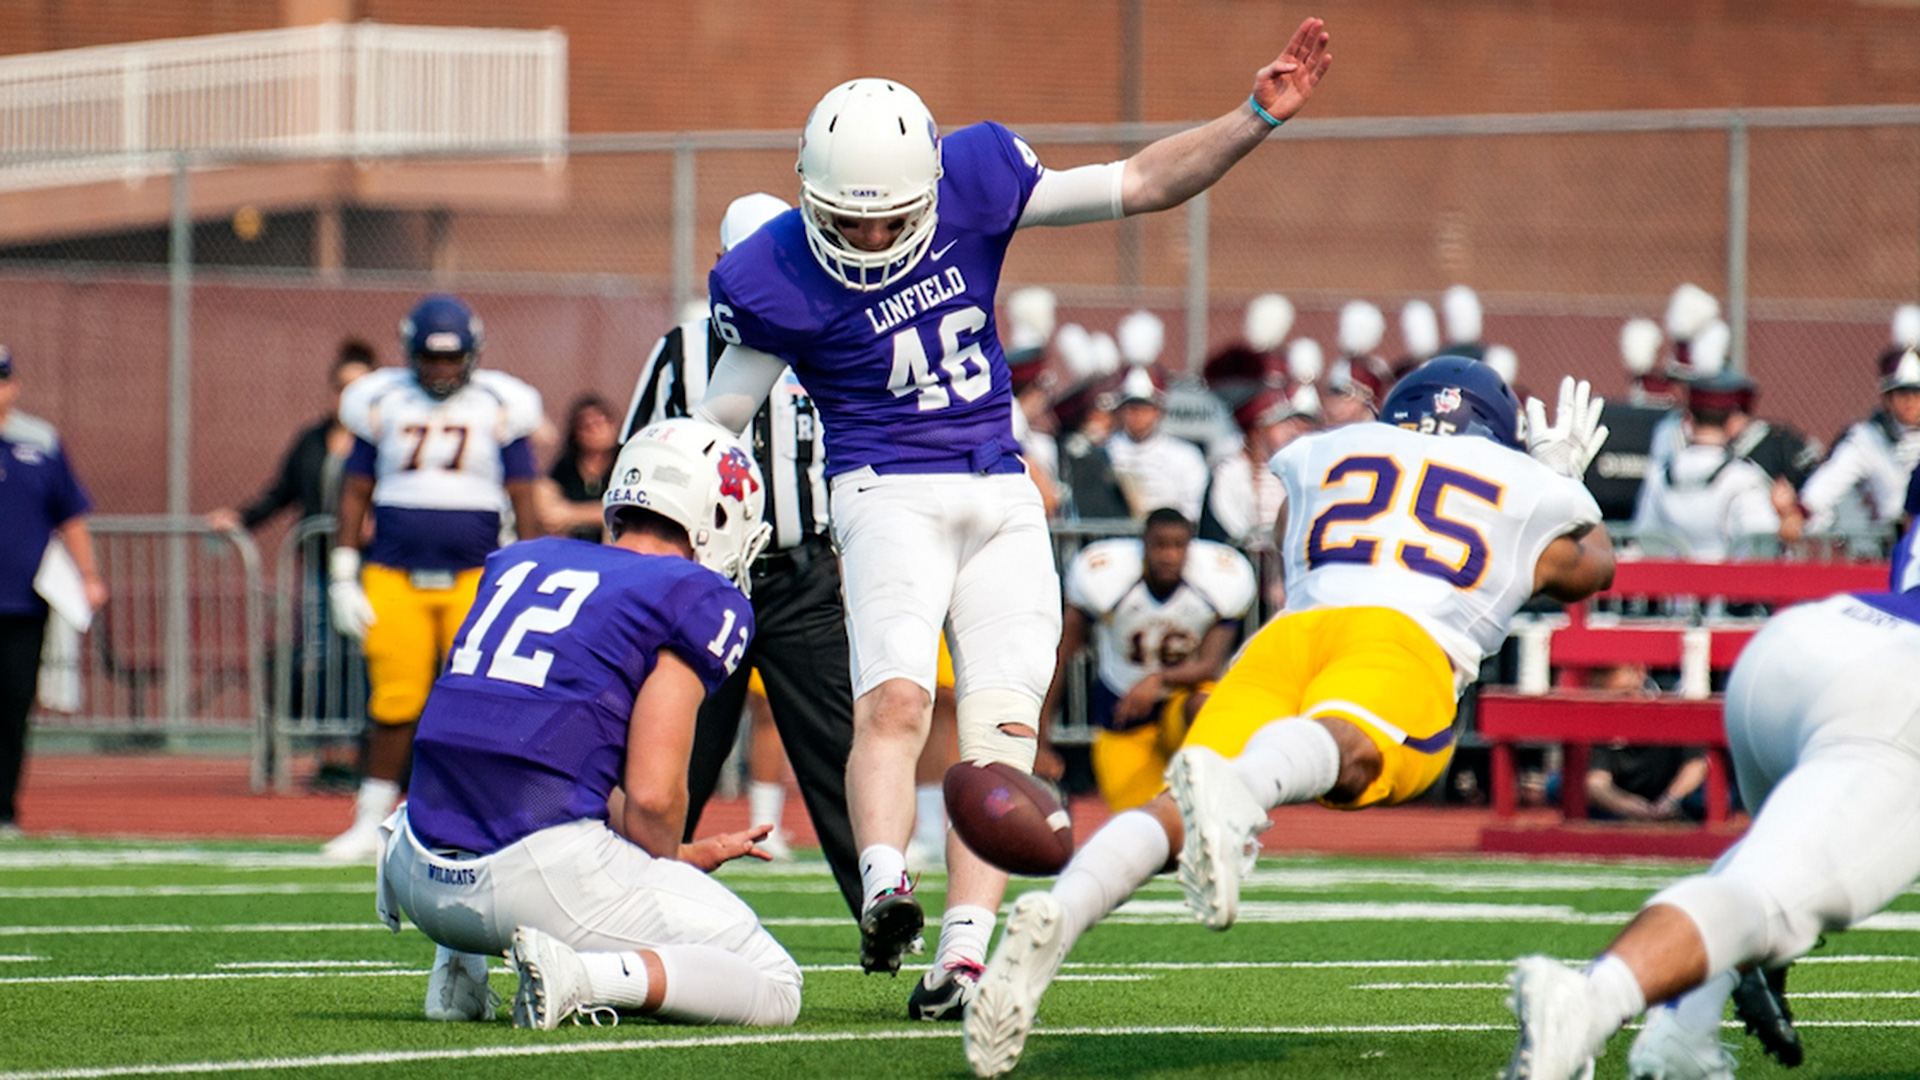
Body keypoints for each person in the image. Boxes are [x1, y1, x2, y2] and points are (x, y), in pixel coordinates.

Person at [693, 22, 1334, 1018]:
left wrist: (1253, 116)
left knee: (999, 730)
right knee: (897, 703)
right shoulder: (772, 269)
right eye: (846, 221)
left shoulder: (979, 175)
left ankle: (961, 955)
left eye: (888, 219)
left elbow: (1142, 181)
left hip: (997, 488)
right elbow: (716, 418)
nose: (868, 239)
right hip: (883, 488)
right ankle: (883, 890)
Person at [963, 359, 1615, 1078]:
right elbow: (1590, 569)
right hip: (1404, 637)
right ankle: (1242, 794)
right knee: (1359, 754)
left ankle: (1060, 916)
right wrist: (1564, 483)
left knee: (1176, 806)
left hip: (1288, 637)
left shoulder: (1326, 448)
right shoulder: (1521, 481)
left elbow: (1282, 524)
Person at [377, 417, 802, 1030]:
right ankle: (582, 977)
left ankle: (459, 972)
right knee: (776, 984)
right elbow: (653, 797)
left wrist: (678, 853)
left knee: (513, 773)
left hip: (413, 861)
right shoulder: (690, 592)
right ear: (717, 517)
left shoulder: (522, 561)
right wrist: (665, 863)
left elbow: (510, 734)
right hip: (527, 879)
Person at [1501, 586, 1920, 1080]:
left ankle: (1682, 1036)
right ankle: (1589, 1004)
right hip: (1893, 683)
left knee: (1768, 868)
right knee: (1768, 899)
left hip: (1803, 640)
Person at [623, 191, 863, 918]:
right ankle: (632, 906)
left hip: (799, 577)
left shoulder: (827, 339)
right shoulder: (680, 349)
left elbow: (854, 457)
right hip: (702, 584)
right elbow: (641, 458)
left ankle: (885, 908)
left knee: (839, 751)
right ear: (722, 266)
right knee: (678, 755)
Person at [322, 294, 544, 863]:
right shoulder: (382, 402)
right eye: (431, 358)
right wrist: (343, 573)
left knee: (480, 704)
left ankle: (480, 820)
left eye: (451, 359)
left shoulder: (501, 404)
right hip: (394, 573)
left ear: (471, 356)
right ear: (410, 353)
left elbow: (524, 497)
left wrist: (533, 569)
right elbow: (355, 492)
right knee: (395, 700)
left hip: (477, 576)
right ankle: (372, 822)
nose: (442, 370)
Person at [207, 339, 376, 791]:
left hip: (370, 571)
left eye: (360, 388)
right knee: (321, 656)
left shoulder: (384, 441)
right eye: (342, 388)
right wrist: (240, 517)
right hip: (319, 568)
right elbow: (281, 491)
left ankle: (366, 756)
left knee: (363, 658)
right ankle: (330, 753)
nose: (348, 398)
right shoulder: (312, 440)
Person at [1042, 508, 1255, 811]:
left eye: (1178, 546)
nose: (1169, 555)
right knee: (1140, 829)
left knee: (1205, 706)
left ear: (1190, 548)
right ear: (1144, 544)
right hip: (1123, 716)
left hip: (1178, 704)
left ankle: (1215, 799)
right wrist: (1040, 742)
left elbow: (1209, 664)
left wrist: (1158, 679)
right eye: (1160, 545)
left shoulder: (1219, 582)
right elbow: (1061, 653)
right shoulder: (1106, 581)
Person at [0, 346, 107, 839]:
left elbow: (70, 513)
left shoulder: (40, 441)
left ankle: (3, 810)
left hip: (23, 602)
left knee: (13, 705)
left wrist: (88, 576)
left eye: (3, 379)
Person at [1628, 325, 1782, 560]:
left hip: (1674, 594)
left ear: (1688, 418)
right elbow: (1761, 546)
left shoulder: (1660, 476)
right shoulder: (1744, 479)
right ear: (1732, 422)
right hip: (1729, 593)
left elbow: (1646, 541)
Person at [1799, 307, 1920, 544]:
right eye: (1900, 393)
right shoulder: (1867, 439)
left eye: (1917, 392)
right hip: (1891, 549)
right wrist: (1799, 512)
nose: (1910, 402)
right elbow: (1824, 488)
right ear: (1885, 397)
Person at [1105, 358, 1210, 523]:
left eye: (1144, 408)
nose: (1137, 415)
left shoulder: (1186, 455)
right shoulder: (1105, 452)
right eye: (1131, 407)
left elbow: (1191, 511)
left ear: (1158, 411)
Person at [535, 394, 619, 541]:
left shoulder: (624, 459)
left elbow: (623, 511)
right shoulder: (568, 464)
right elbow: (547, 498)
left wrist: (571, 514)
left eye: (604, 422)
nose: (598, 430)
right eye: (588, 426)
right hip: (577, 542)